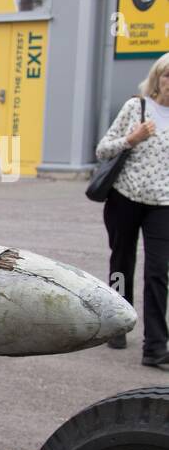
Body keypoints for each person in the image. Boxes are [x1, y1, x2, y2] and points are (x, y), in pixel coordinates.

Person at [97, 51, 169, 365]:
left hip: (162, 204)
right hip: (124, 198)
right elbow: (103, 150)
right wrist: (132, 138)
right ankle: (118, 323)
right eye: (168, 76)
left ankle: (155, 347)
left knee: (158, 272)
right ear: (157, 78)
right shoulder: (136, 107)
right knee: (122, 263)